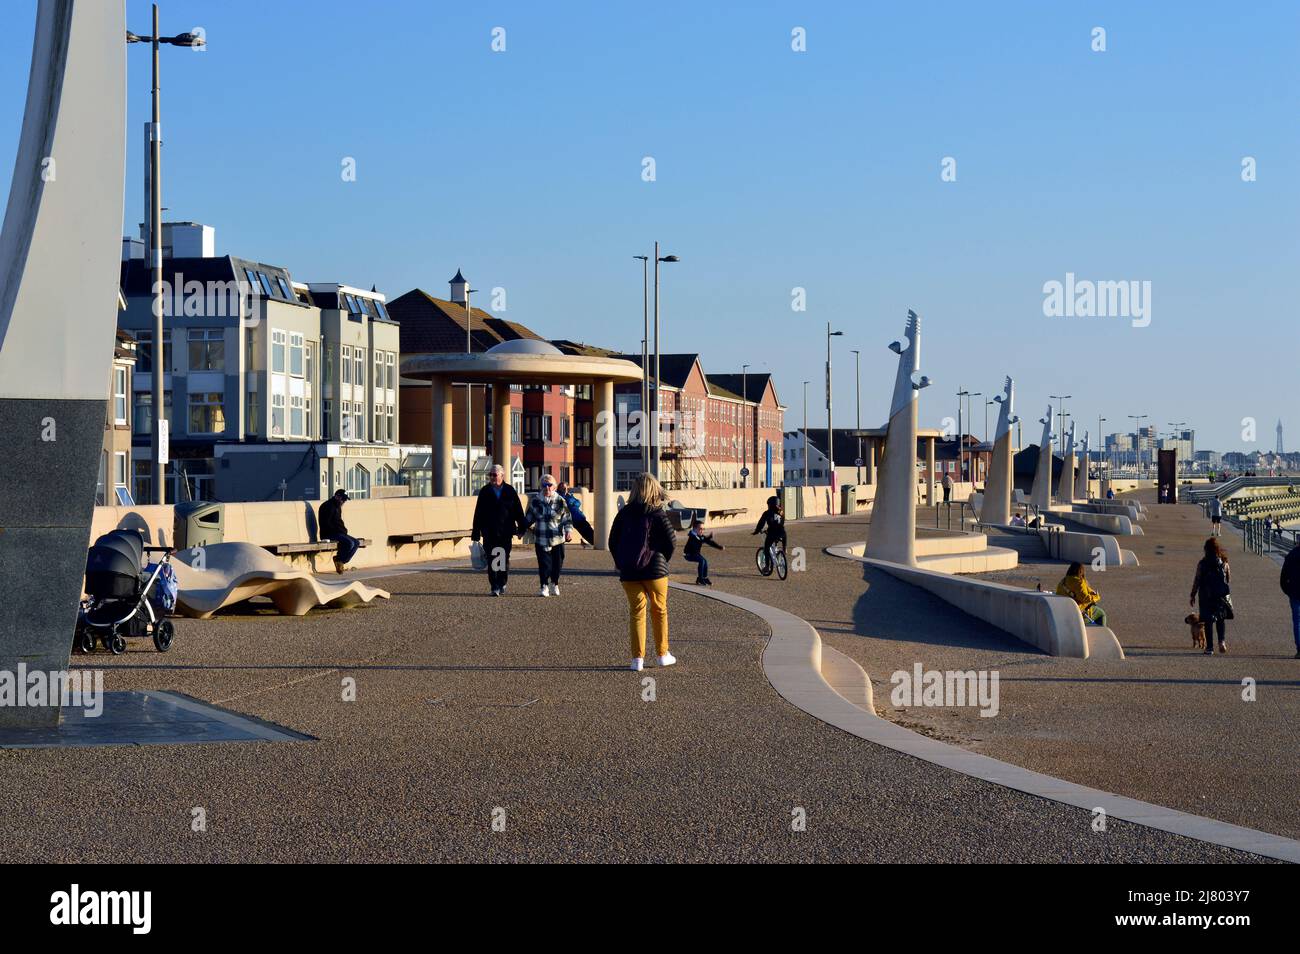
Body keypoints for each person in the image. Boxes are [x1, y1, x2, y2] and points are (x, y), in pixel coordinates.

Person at [608, 472, 677, 672]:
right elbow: (671, 542)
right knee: (659, 610)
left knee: (637, 613)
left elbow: (613, 541)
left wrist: (620, 562)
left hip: (629, 572)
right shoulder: (657, 513)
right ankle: (662, 654)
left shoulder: (624, 513)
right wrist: (662, 559)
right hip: (656, 571)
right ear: (654, 489)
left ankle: (637, 659)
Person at [471, 463, 526, 596]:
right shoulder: (485, 491)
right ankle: (494, 585)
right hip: (489, 531)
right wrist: (476, 532)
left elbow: (518, 511)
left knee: (503, 557)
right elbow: (478, 512)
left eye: (494, 474)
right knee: (492, 558)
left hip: (505, 531)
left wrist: (522, 528)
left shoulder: (509, 491)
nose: (492, 477)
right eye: (490, 475)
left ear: (502, 475)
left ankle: (502, 581)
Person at [523, 474, 572, 597]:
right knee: (544, 564)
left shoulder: (560, 500)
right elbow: (528, 518)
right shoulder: (536, 501)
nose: (547, 488)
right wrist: (521, 530)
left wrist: (569, 531)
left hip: (558, 539)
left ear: (554, 487)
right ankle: (544, 585)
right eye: (544, 485)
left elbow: (567, 518)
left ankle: (554, 583)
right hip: (541, 538)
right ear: (541, 487)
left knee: (557, 564)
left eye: (549, 485)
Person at [1190, 537, 1233, 654]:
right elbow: (1228, 579)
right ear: (1217, 548)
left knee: (1208, 621)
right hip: (1221, 595)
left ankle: (1209, 648)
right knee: (1220, 618)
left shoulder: (1202, 563)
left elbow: (1197, 579)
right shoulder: (1224, 562)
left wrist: (1192, 594)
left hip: (1206, 595)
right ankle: (1221, 642)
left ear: (1206, 549)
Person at [318, 490, 360, 574]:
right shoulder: (327, 506)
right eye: (343, 499)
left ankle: (340, 561)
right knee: (350, 543)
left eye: (345, 500)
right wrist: (340, 531)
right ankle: (338, 559)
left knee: (356, 542)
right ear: (337, 496)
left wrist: (343, 531)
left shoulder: (337, 506)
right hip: (328, 534)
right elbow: (326, 523)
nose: (344, 501)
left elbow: (338, 522)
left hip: (338, 533)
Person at [1055, 562, 1107, 627]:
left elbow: (1085, 590)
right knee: (1101, 614)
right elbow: (1085, 598)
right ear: (1081, 571)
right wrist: (1096, 596)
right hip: (1078, 613)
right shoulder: (1079, 582)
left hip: (1064, 612)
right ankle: (1101, 633)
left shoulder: (1063, 582)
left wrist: (1090, 591)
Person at [683, 516, 724, 585]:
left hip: (696, 554)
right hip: (688, 555)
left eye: (703, 529)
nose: (702, 531)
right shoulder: (692, 536)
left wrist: (719, 547)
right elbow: (698, 541)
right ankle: (700, 578)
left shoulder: (700, 536)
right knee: (702, 561)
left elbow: (709, 542)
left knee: (705, 561)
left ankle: (704, 577)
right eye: (700, 529)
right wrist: (707, 538)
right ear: (694, 529)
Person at [752, 495, 787, 570]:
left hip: (773, 533)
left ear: (770, 504)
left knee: (766, 547)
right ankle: (784, 549)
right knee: (782, 534)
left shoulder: (767, 513)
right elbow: (781, 523)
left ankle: (767, 566)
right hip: (782, 533)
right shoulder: (781, 512)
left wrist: (756, 531)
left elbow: (761, 523)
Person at [556, 482, 594, 547]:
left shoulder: (569, 495)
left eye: (565, 487)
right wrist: (570, 501)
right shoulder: (558, 496)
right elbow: (565, 504)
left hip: (579, 517)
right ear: (559, 488)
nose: (565, 489)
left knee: (588, 531)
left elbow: (578, 503)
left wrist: (571, 502)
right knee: (584, 531)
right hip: (570, 518)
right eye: (563, 487)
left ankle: (595, 542)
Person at [1281, 543, 1300, 659]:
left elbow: (1283, 576)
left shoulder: (1292, 554)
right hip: (1294, 592)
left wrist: (1288, 591)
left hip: (1294, 593)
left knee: (1297, 622)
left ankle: (1299, 649)